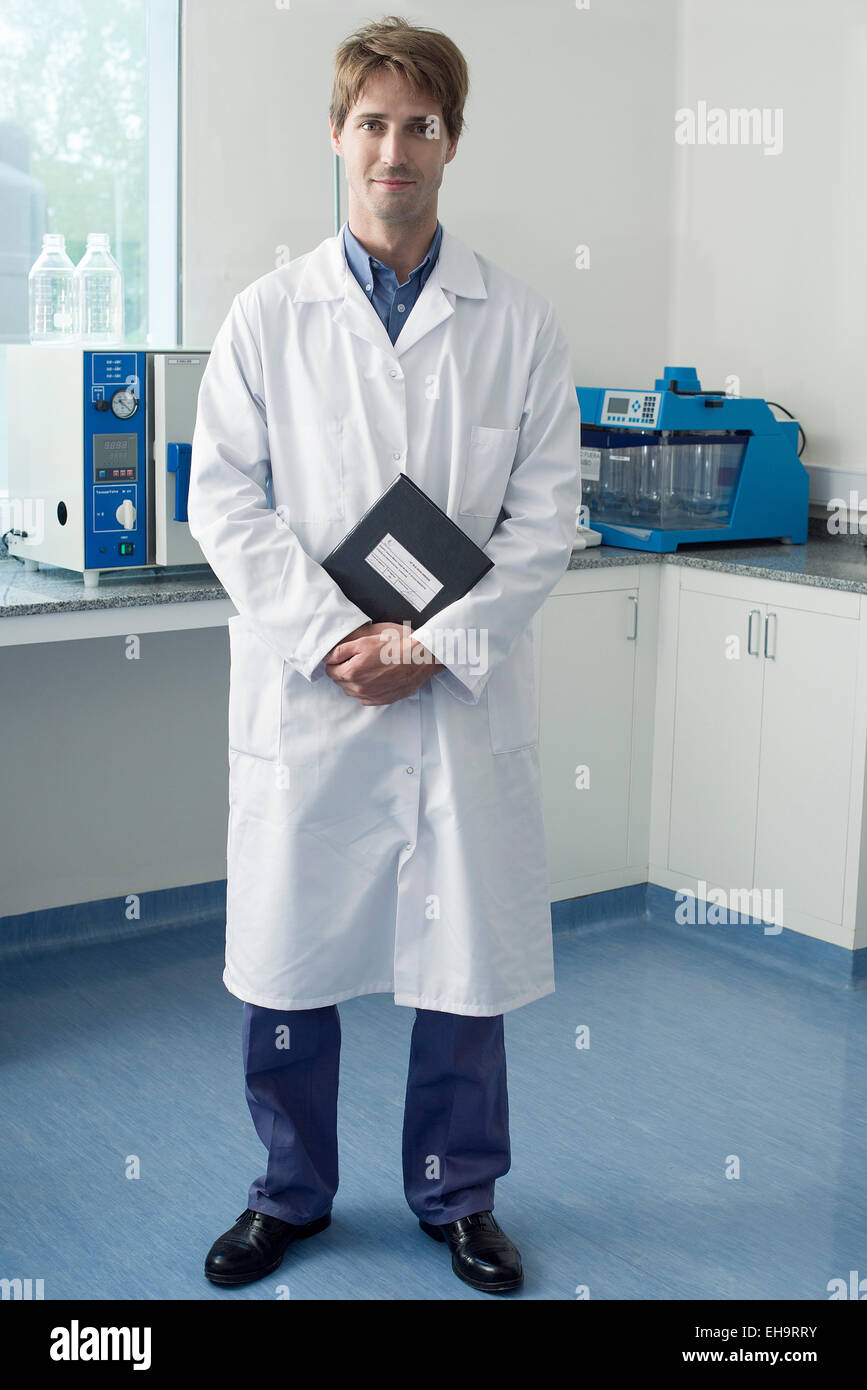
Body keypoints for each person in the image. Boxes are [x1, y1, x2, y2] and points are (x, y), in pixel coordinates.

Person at [188, 14, 580, 1296]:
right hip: (320, 692)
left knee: (461, 964)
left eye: (421, 124)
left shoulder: (517, 322)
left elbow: (547, 517)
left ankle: (458, 1197)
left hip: (454, 699)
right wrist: (339, 635)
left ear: (452, 142)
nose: (395, 148)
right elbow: (225, 502)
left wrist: (438, 644)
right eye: (374, 123)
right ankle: (287, 1194)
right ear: (340, 136)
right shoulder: (267, 317)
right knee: (295, 957)